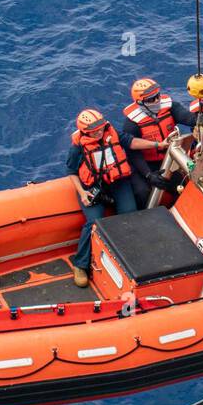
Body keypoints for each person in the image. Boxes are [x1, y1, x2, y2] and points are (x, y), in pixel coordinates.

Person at [66, 108, 138, 288]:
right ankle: (80, 265)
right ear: (85, 131)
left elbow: (130, 141)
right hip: (91, 187)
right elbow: (71, 171)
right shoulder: (78, 147)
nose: (99, 131)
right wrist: (83, 193)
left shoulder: (111, 132)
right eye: (94, 130)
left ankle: (126, 252)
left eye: (100, 127)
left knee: (130, 213)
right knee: (93, 222)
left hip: (116, 181)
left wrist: (158, 145)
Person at [120, 77, 195, 205]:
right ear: (140, 102)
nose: (157, 101)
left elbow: (185, 117)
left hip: (167, 159)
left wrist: (198, 119)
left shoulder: (169, 107)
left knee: (182, 185)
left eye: (158, 96)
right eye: (151, 99)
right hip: (143, 164)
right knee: (142, 192)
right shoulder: (132, 123)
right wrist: (148, 174)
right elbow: (133, 153)